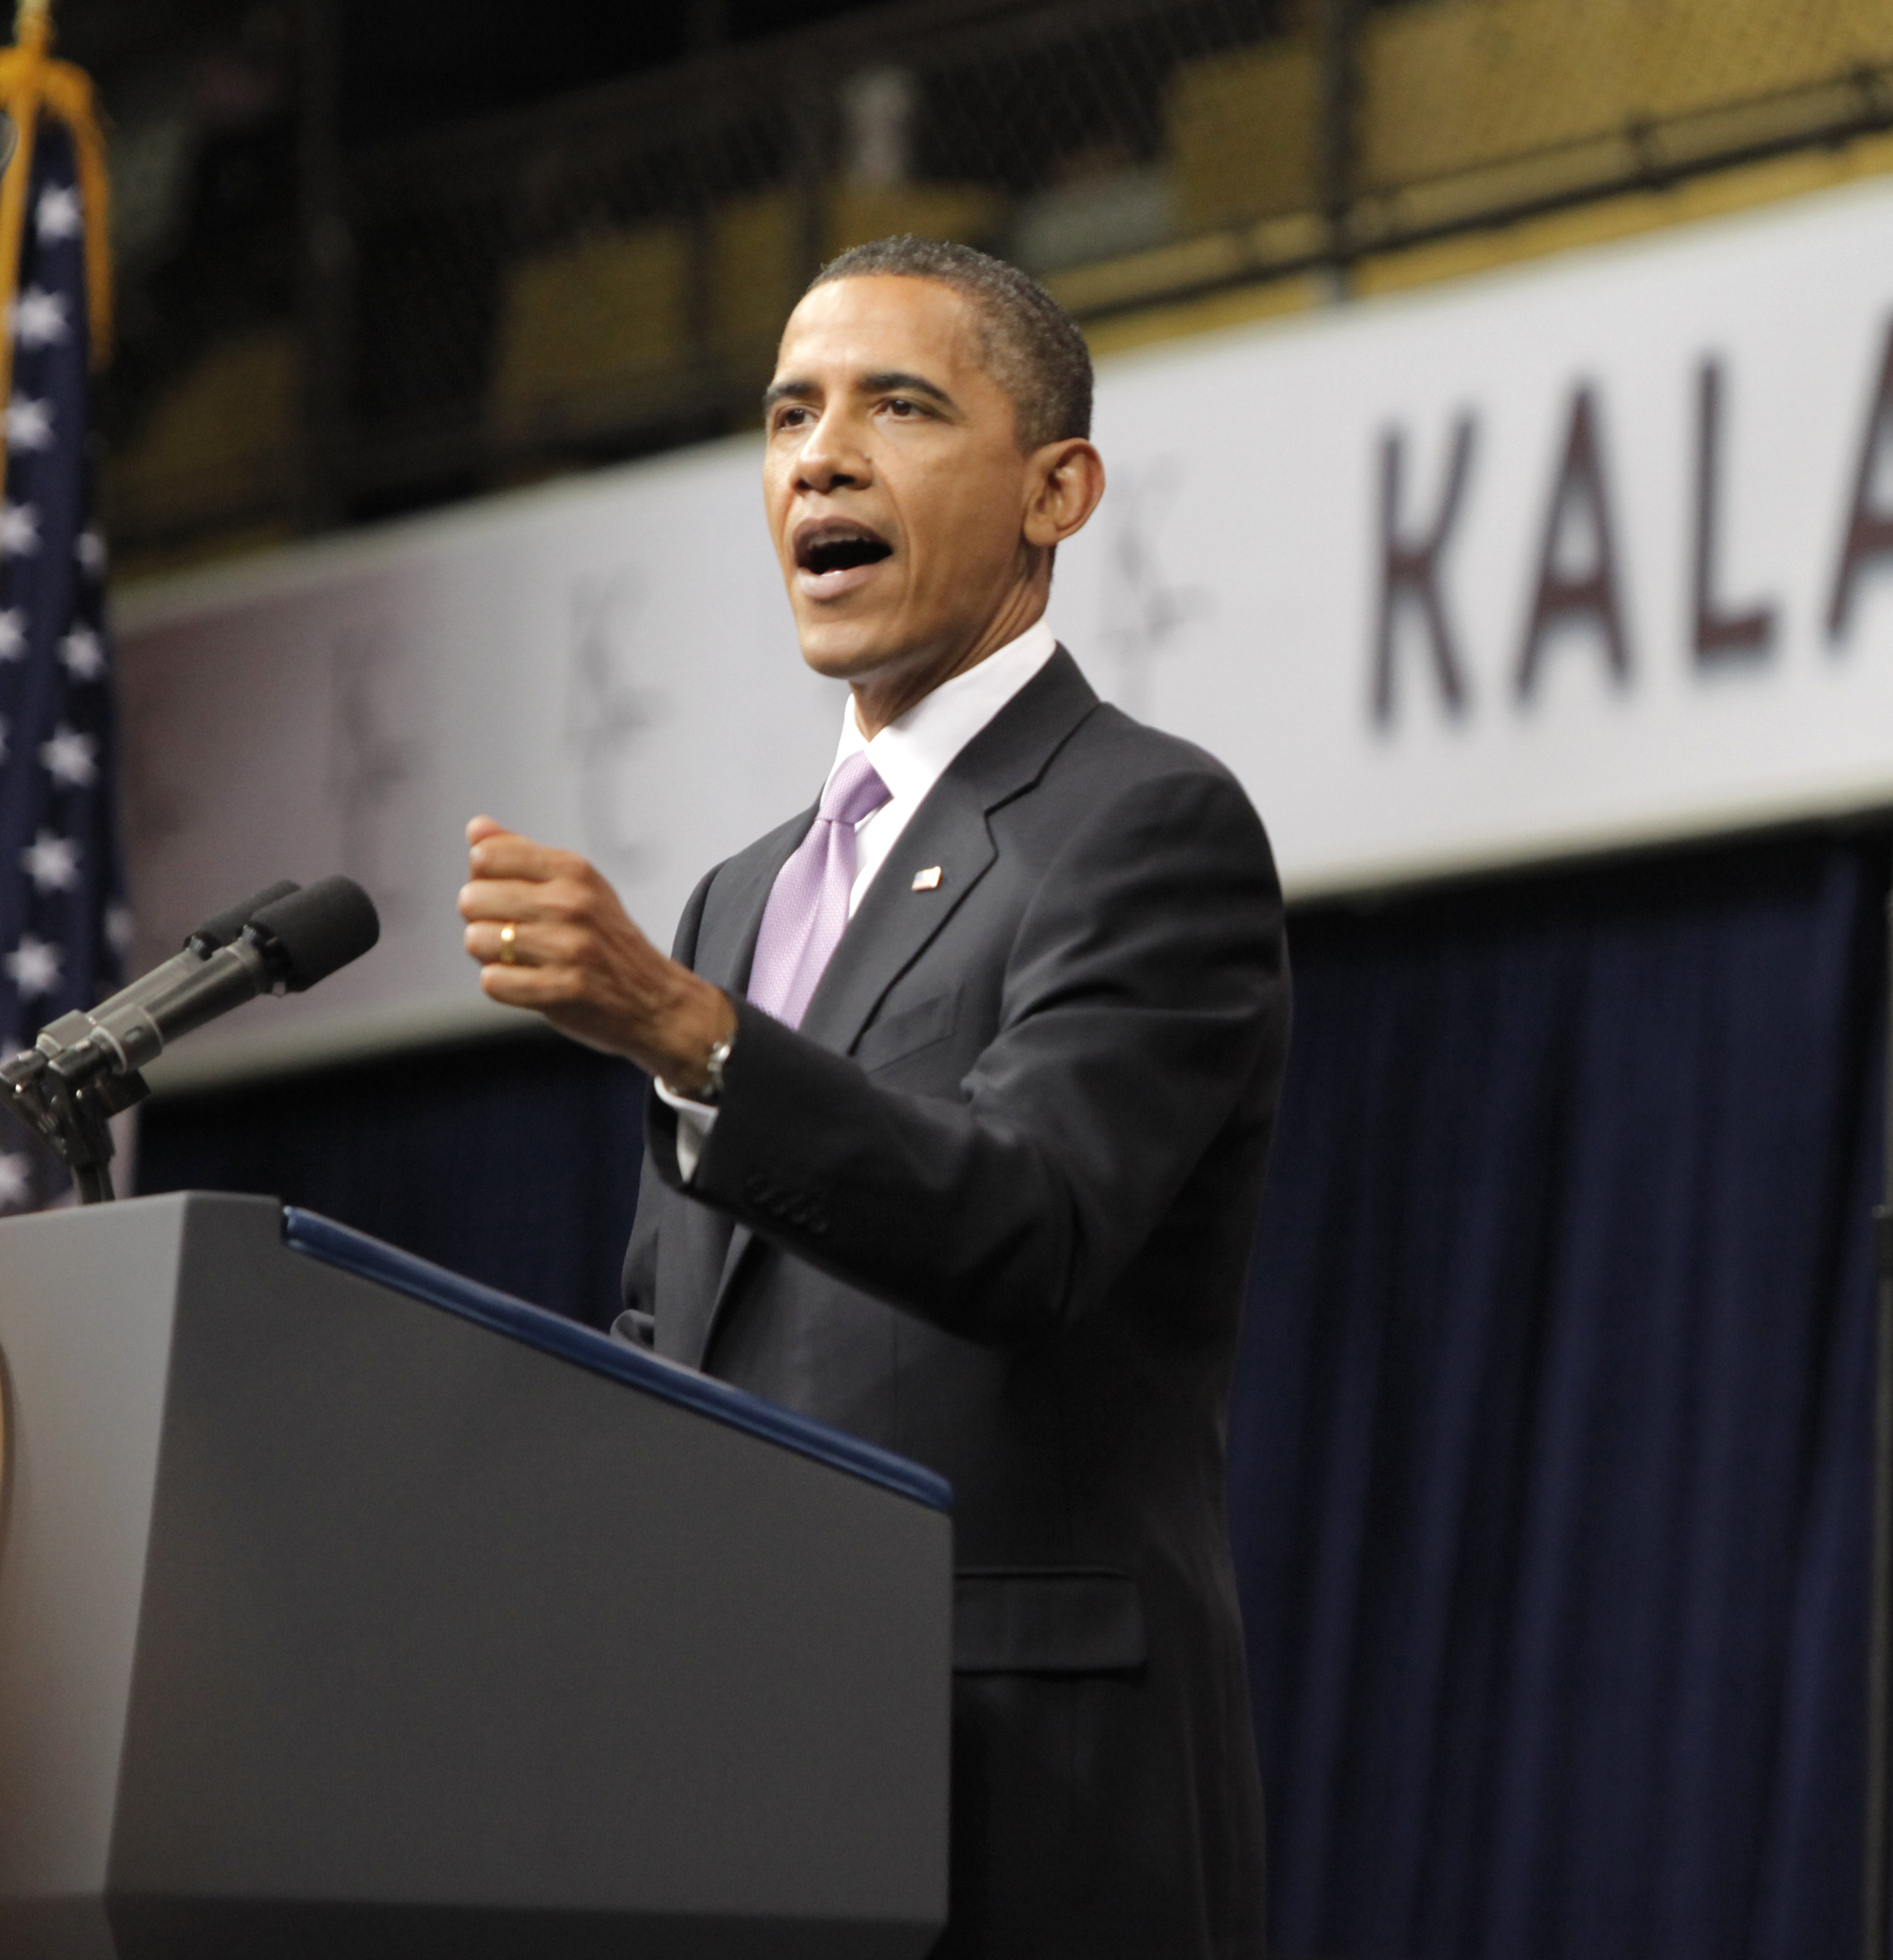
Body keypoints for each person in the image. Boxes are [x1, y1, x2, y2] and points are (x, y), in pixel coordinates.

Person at [453, 236, 1288, 1960]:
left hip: (1019, 1786)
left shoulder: (1142, 823)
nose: (820, 456)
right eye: (787, 415)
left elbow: (1030, 1222)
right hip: (740, 1778)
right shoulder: (739, 898)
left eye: (897, 404)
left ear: (1058, 489)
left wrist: (692, 1034)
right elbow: (670, 1327)